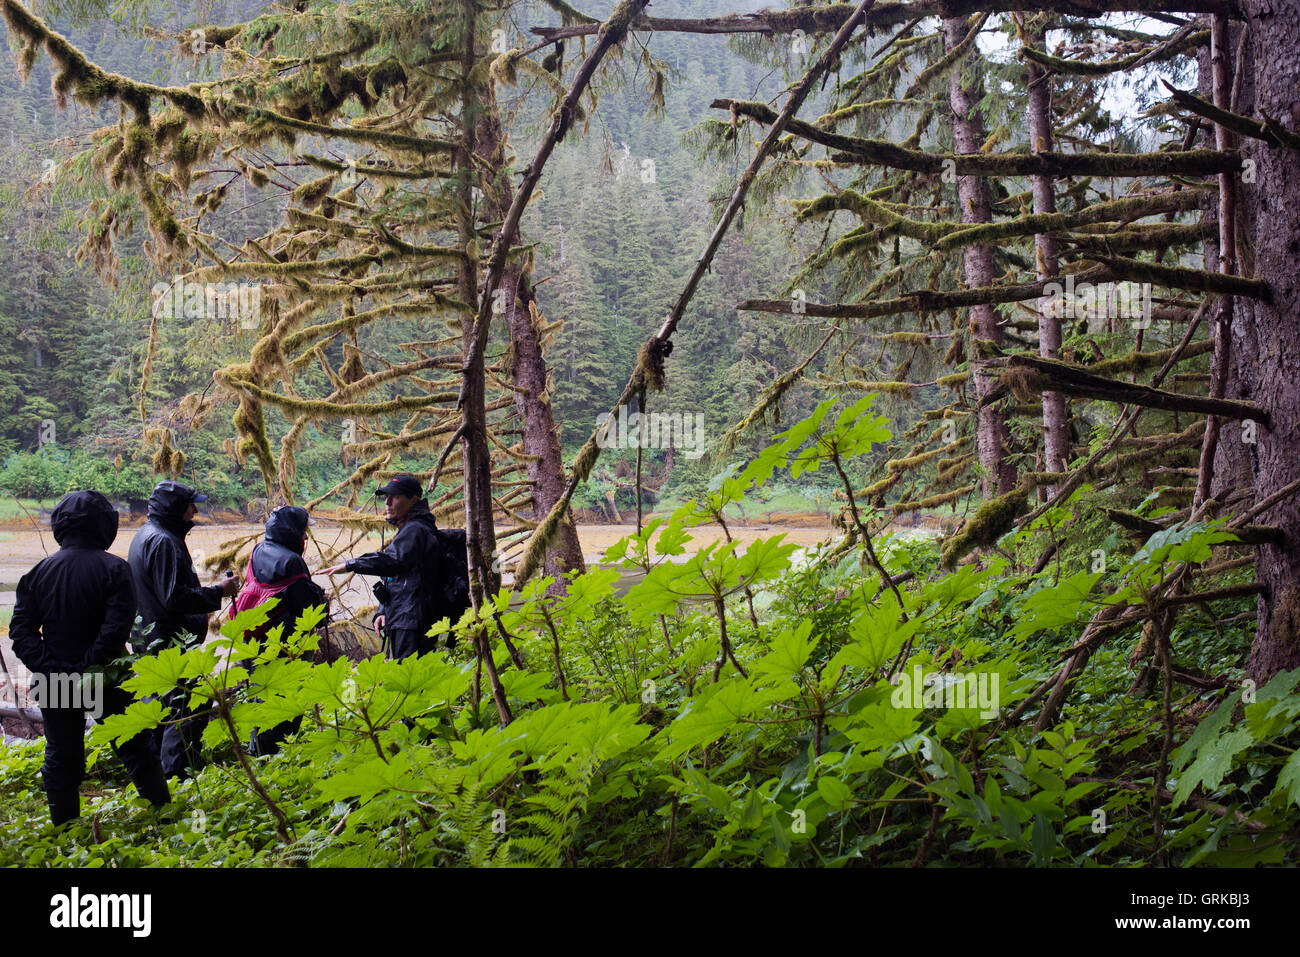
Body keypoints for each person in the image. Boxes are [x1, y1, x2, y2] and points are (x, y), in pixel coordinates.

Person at [9, 490, 170, 825]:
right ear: (103, 525)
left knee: (61, 756)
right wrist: (87, 667)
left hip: (57, 679)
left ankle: (64, 829)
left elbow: (21, 632)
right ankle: (163, 818)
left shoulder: (39, 573)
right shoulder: (114, 569)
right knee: (136, 747)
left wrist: (53, 668)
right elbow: (117, 626)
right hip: (106, 674)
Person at [127, 480, 238, 779]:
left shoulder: (145, 536)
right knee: (184, 713)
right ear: (175, 509)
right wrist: (219, 591)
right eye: (190, 506)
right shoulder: (163, 542)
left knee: (164, 710)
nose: (195, 511)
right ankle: (177, 778)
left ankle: (156, 778)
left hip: (150, 640)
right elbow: (174, 597)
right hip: (170, 642)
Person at [229, 505, 328, 756]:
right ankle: (277, 757)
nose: (305, 537)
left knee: (260, 699)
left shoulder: (259, 550)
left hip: (255, 640)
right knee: (284, 706)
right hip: (283, 645)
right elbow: (308, 608)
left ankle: (257, 752)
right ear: (293, 533)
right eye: (303, 531)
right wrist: (323, 602)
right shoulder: (291, 561)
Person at [321, 474, 449, 660]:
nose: (387, 502)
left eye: (395, 497)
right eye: (386, 497)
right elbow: (399, 578)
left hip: (412, 620)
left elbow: (392, 562)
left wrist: (352, 564)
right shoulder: (411, 528)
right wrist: (383, 610)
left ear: (414, 500)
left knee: (409, 678)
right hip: (405, 616)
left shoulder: (416, 530)